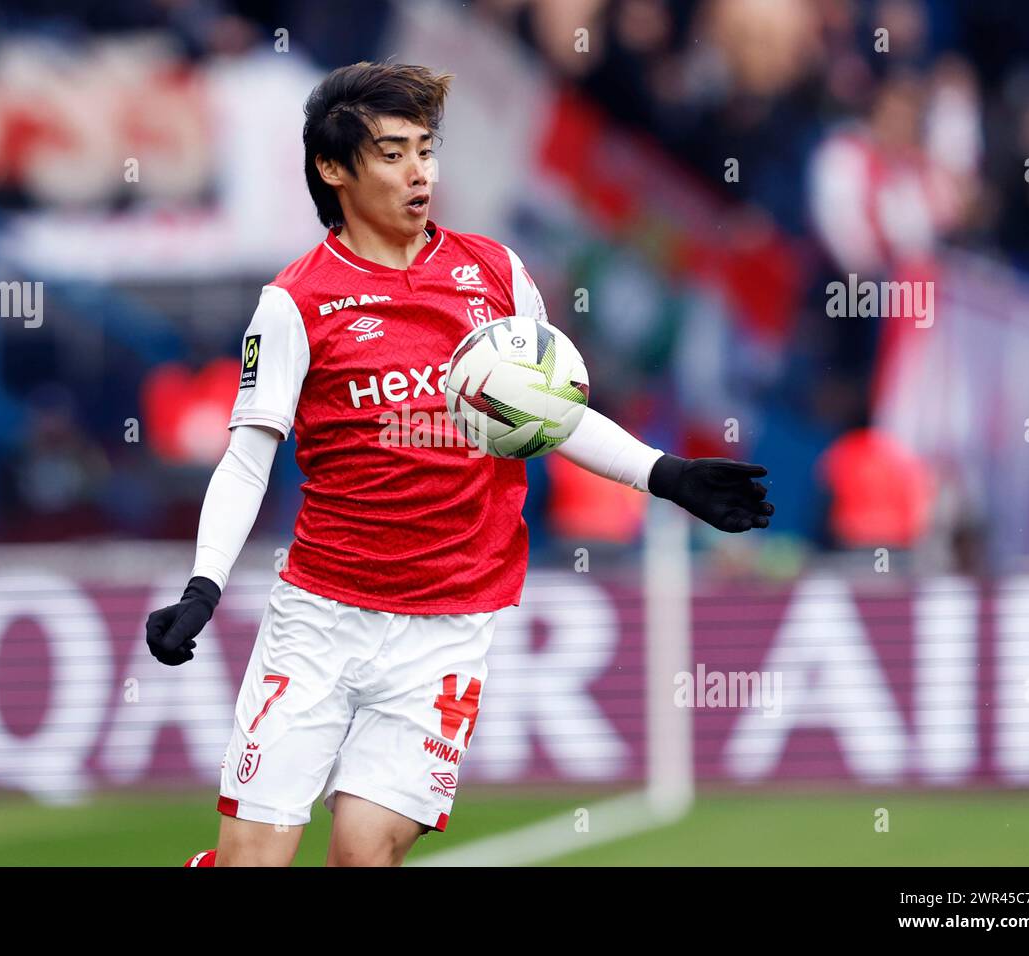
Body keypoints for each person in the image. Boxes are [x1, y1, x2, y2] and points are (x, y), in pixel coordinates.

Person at [145, 62, 773, 867]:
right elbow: (247, 455)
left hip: (448, 625)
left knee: (364, 855)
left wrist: (667, 474)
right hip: (320, 620)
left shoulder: (497, 276)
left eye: (425, 150)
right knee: (252, 862)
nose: (419, 173)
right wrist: (205, 586)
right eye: (392, 154)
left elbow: (552, 416)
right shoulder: (295, 302)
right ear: (334, 169)